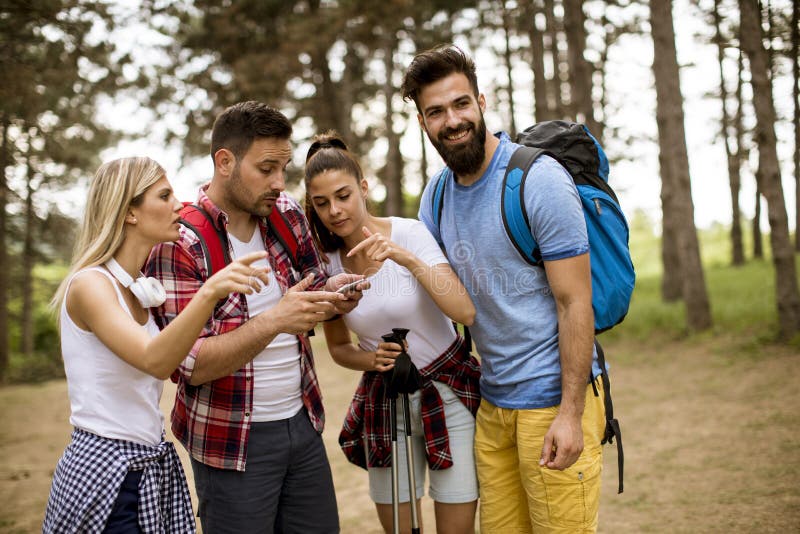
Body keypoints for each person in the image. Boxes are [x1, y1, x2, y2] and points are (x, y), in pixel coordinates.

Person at [401, 45, 607, 533]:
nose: (452, 120)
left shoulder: (536, 179)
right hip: (492, 407)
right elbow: (430, 286)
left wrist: (571, 414)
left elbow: (575, 301)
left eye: (460, 104)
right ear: (423, 123)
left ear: (482, 102)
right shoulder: (437, 195)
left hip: (553, 401)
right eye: (436, 112)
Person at [145, 102, 363, 534]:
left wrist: (335, 293)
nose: (280, 183)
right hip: (230, 441)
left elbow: (313, 279)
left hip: (302, 423)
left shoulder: (283, 212)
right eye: (267, 169)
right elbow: (190, 363)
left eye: (283, 168)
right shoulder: (181, 242)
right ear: (224, 162)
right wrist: (275, 320)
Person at [43, 156, 269, 533]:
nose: (178, 205)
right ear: (130, 212)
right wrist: (211, 291)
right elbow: (155, 360)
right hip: (107, 471)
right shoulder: (90, 285)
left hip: (149, 462)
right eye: (164, 195)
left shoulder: (140, 286)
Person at [304, 132, 481, 534]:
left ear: (363, 188)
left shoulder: (410, 233)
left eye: (343, 195)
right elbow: (338, 349)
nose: (334, 210)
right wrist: (370, 360)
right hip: (384, 400)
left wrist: (403, 257)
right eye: (321, 202)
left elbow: (464, 311)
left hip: (448, 393)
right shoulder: (328, 265)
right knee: (401, 529)